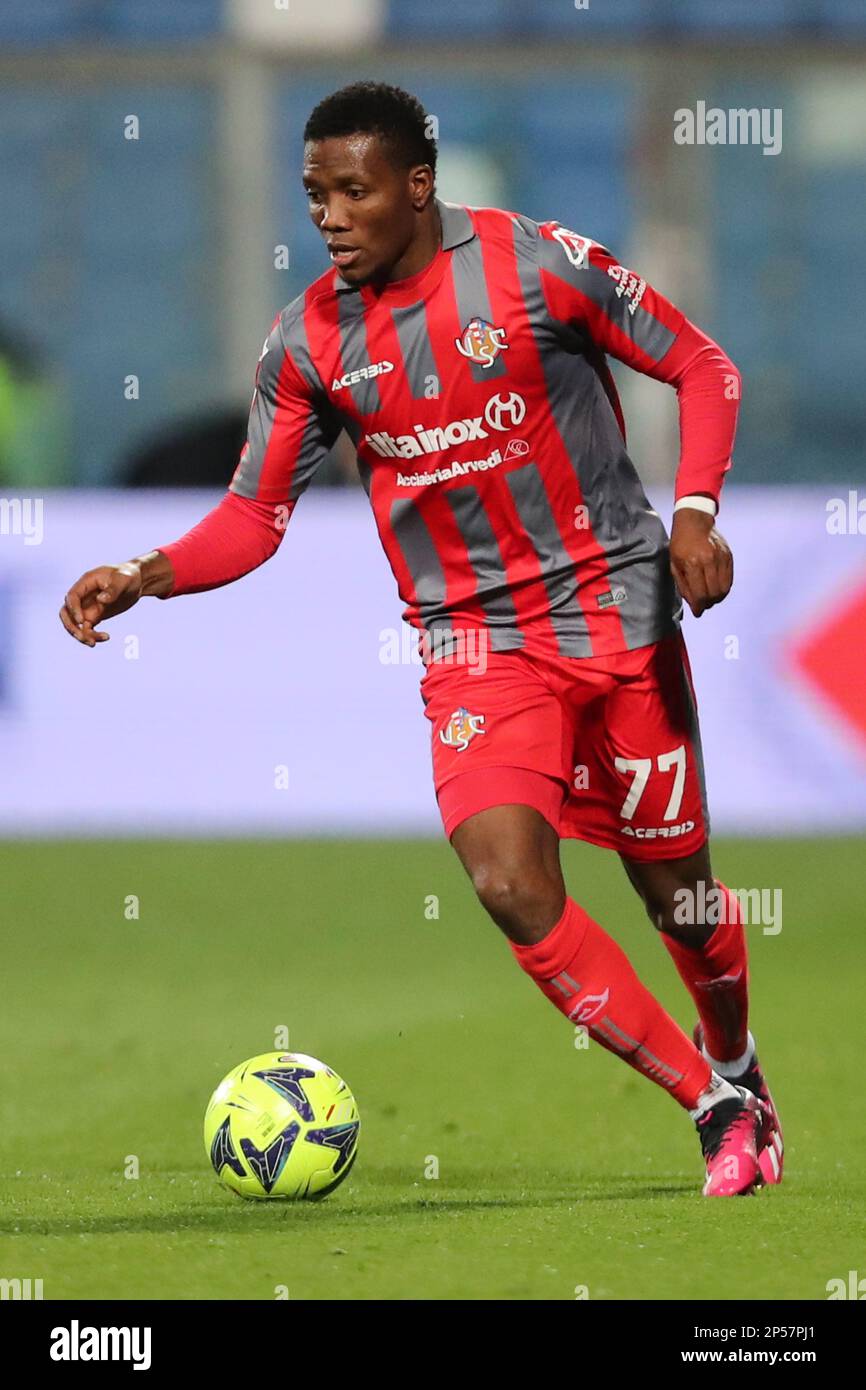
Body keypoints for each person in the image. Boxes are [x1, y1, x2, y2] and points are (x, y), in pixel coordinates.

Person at [60, 81, 782, 1197]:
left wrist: (693, 514)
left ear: (416, 185)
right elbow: (255, 515)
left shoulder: (535, 266)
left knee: (677, 894)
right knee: (504, 879)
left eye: (353, 191)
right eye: (314, 195)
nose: (331, 216)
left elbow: (702, 364)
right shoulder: (305, 341)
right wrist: (146, 574)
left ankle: (737, 1054)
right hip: (474, 641)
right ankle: (712, 1105)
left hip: (617, 614)